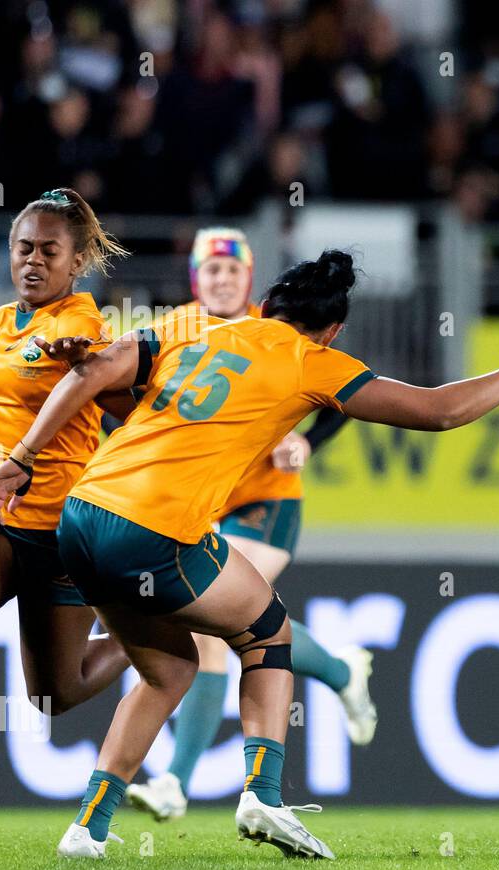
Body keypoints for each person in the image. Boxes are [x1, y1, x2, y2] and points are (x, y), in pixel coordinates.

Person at [0, 250, 499, 859]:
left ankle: (87, 831)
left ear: (265, 306)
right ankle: (262, 795)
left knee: (171, 670)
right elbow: (438, 411)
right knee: (267, 632)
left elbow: (96, 373)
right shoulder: (312, 360)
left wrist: (22, 457)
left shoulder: (194, 330)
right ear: (333, 330)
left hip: (82, 513)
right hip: (152, 528)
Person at [124, 228, 376, 824]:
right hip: (196, 502)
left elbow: (350, 390)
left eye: (233, 272)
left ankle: (174, 784)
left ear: (250, 283)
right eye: (210, 272)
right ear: (195, 280)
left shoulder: (283, 333)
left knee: (214, 627)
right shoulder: (175, 328)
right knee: (238, 626)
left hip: (266, 501)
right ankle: (342, 669)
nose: (222, 280)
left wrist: (306, 441)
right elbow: (129, 395)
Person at [0, 188, 128, 711]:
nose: (33, 260)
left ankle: (148, 637)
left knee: (53, 696)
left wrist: (81, 363)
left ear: (76, 263)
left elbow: (93, 370)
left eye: (49, 251)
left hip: (64, 531)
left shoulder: (81, 324)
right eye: (24, 248)